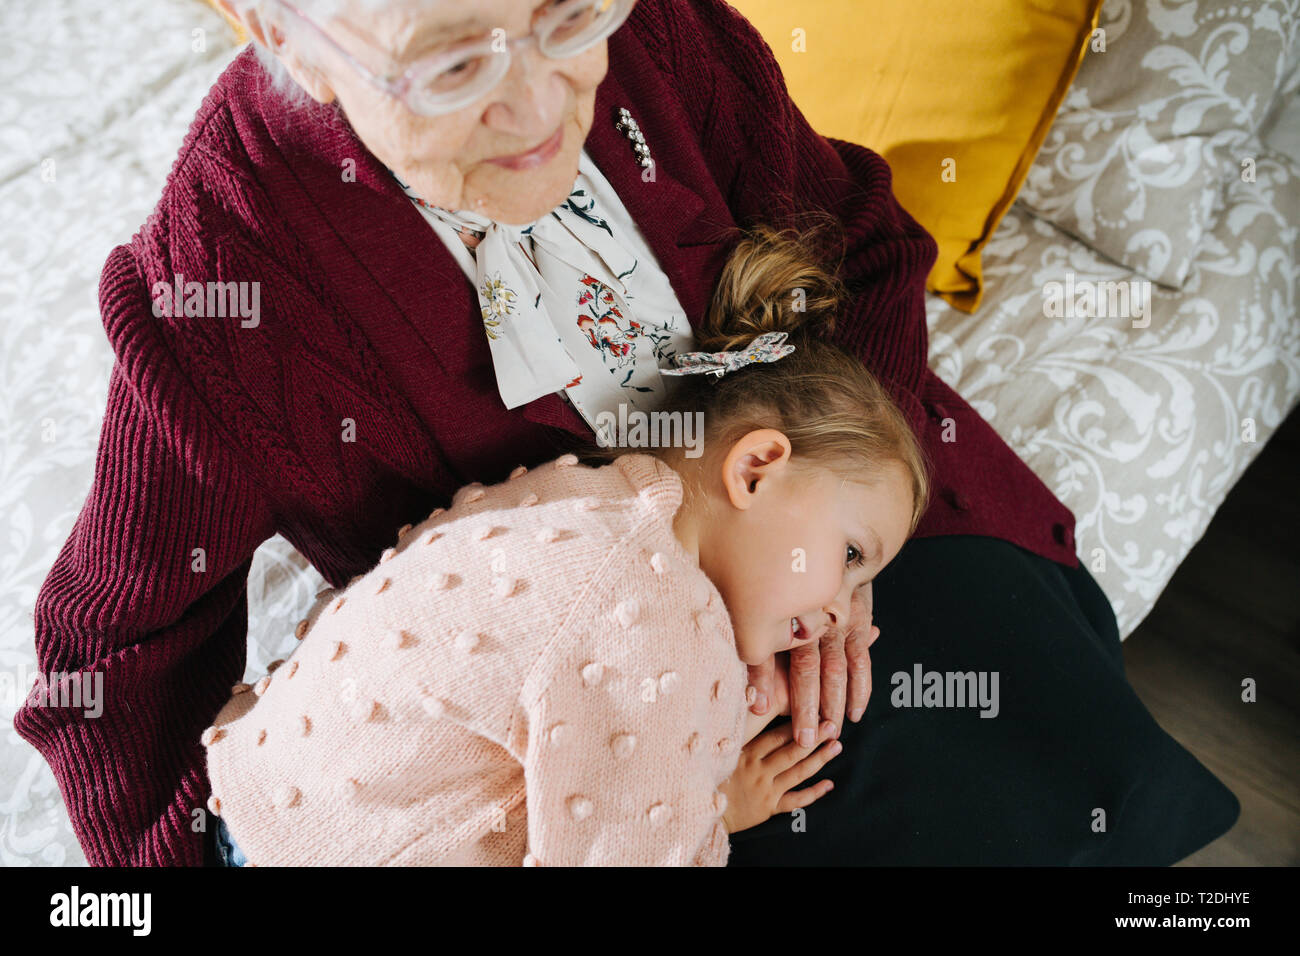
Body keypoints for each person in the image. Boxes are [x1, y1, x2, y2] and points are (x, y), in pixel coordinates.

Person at [16, 0, 1101, 867]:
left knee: (1080, 762)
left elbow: (864, 243)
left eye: (567, 14)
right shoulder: (224, 283)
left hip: (833, 512)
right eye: (452, 65)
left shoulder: (653, 25)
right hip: (595, 707)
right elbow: (111, 653)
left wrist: (835, 553)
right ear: (277, 30)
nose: (541, 105)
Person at [203, 223, 927, 865]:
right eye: (851, 558)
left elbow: (584, 703)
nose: (844, 611)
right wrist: (718, 812)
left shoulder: (588, 496)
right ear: (756, 469)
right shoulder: (661, 626)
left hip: (271, 792)